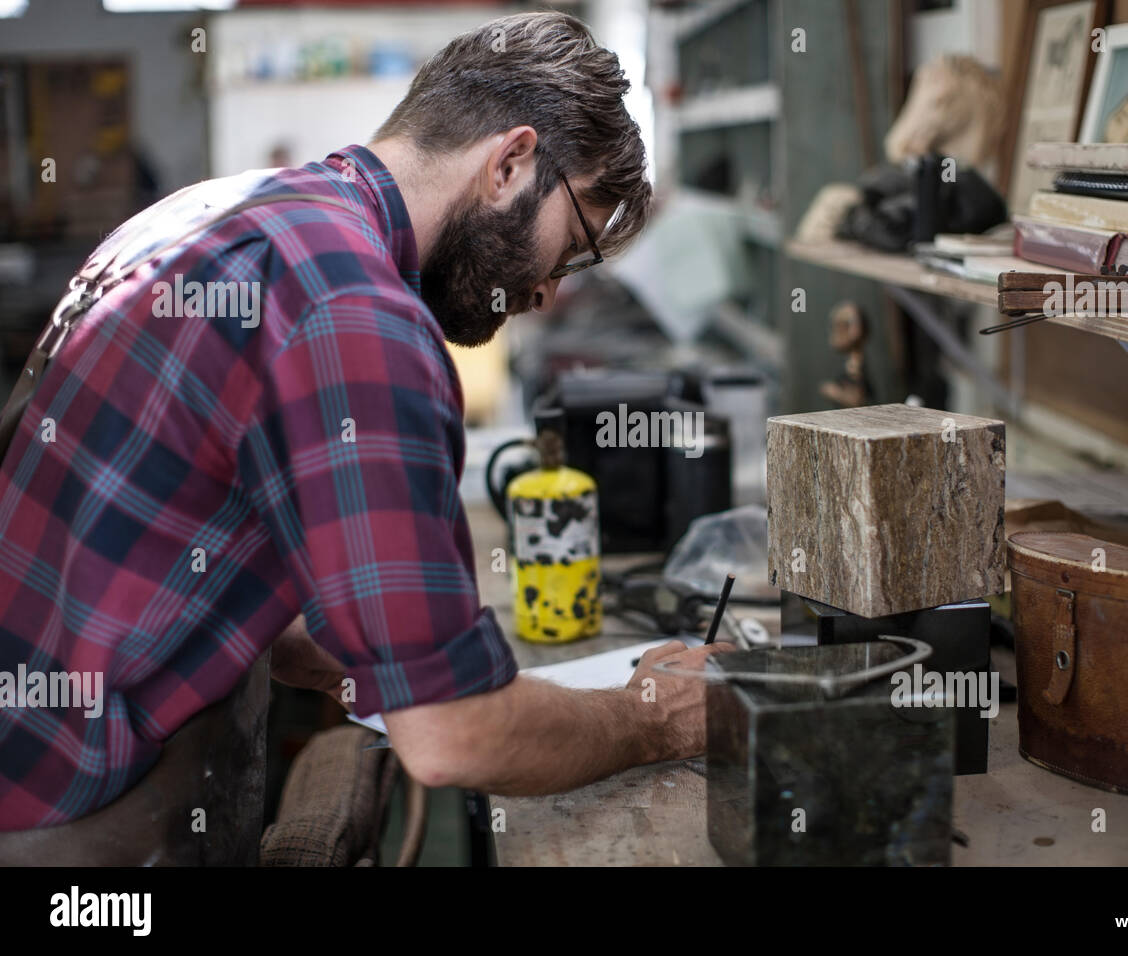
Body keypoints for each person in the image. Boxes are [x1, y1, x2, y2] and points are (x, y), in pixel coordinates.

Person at [0, 11, 728, 839]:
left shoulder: (199, 213)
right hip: (68, 815)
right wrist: (657, 717)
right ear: (511, 163)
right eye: (569, 248)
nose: (544, 296)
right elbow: (455, 738)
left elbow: (140, 528)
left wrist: (322, 636)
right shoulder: (356, 314)